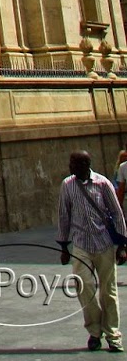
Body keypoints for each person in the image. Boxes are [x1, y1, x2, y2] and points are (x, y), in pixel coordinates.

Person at [59, 150, 127, 353]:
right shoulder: (67, 185)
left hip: (104, 244)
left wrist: (123, 245)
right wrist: (63, 246)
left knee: (109, 292)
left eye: (74, 163)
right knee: (84, 287)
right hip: (81, 246)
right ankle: (95, 332)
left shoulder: (102, 183)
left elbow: (116, 212)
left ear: (85, 164)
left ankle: (113, 335)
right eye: (70, 163)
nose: (70, 167)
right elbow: (64, 215)